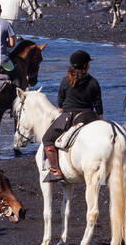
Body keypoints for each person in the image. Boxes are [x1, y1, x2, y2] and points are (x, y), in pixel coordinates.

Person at [41, 50, 103, 183]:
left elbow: (60, 103)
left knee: (47, 139)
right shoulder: (93, 82)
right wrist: (100, 118)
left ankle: (55, 171)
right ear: (86, 65)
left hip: (69, 116)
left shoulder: (65, 81)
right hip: (89, 116)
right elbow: (98, 104)